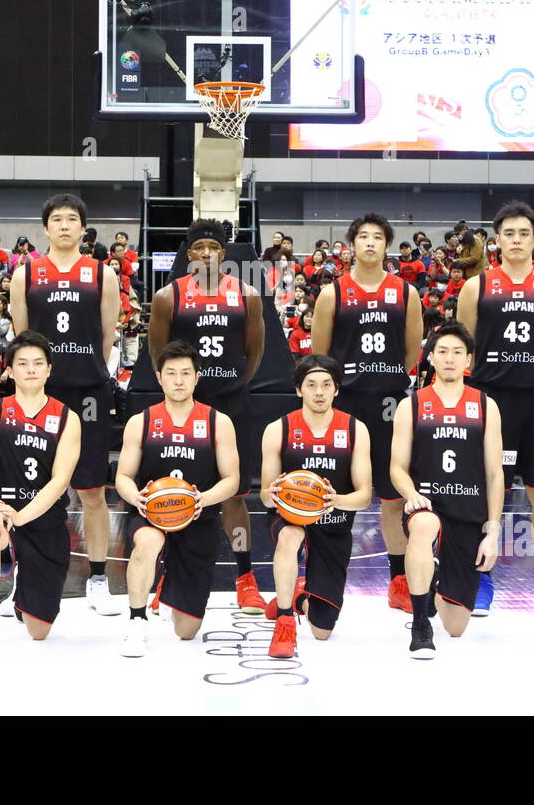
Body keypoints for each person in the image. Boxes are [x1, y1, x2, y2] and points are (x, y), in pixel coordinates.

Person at [457, 201, 534, 616]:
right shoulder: (477, 287)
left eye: (525, 233)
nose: (518, 240)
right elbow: (464, 344)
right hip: (492, 399)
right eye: (510, 234)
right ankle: (482, 576)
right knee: (491, 488)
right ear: (496, 241)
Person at [148, 218, 267, 614]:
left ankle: (245, 577)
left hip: (231, 404)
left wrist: (232, 383)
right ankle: (167, 572)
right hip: (183, 406)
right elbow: (158, 354)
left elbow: (254, 352)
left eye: (212, 247)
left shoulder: (246, 294)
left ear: (224, 252)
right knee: (174, 493)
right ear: (188, 253)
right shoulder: (168, 296)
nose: (204, 254)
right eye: (197, 247)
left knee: (233, 496)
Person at [10, 194, 122, 616]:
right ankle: (25, 576)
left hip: (89, 391)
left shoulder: (101, 274)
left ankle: (97, 578)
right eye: (56, 220)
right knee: (28, 489)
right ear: (45, 228)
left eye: (71, 219)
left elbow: (107, 337)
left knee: (92, 490)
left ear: (82, 228)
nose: (63, 226)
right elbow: (23, 338)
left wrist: (88, 368)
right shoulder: (26, 273)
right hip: (40, 393)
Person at [311, 213, 423, 613]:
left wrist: (387, 375)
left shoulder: (405, 292)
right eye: (363, 237)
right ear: (352, 245)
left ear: (387, 246)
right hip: (347, 405)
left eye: (378, 237)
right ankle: (320, 580)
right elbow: (320, 357)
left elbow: (412, 352)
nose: (371, 243)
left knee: (393, 499)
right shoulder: (333, 293)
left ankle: (399, 582)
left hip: (391, 404)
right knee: (332, 494)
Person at [114, 340, 239, 657]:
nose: (179, 380)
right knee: (147, 542)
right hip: (152, 513)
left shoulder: (218, 422)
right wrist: (136, 498)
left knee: (186, 631)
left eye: (186, 373)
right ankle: (137, 620)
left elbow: (232, 479)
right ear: (159, 377)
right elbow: (123, 476)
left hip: (199, 517)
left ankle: (165, 583)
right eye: (171, 373)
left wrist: (203, 498)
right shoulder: (140, 421)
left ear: (198, 377)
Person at [0, 332, 81, 662]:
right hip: (4, 509)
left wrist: (21, 517)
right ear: (10, 371)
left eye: (38, 364)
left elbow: (60, 481)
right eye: (22, 364)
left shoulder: (67, 418)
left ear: (48, 370)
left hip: (44, 516)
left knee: (38, 630)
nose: (30, 370)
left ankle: (22, 589)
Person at [389, 323, 504, 657]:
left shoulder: (485, 406)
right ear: (431, 358)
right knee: (425, 525)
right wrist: (412, 496)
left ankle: (432, 579)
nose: (450, 359)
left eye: (457, 352)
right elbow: (397, 467)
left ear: (468, 359)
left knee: (456, 625)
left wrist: (493, 531)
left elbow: (495, 473)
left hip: (469, 513)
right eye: (442, 351)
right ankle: (421, 622)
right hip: (427, 507)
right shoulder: (411, 405)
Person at [259, 355, 372, 657]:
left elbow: (364, 495)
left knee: (322, 630)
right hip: (291, 518)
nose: (319, 392)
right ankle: (284, 621)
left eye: (326, 385)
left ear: (337, 389)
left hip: (334, 526)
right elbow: (265, 496)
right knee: (289, 536)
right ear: (299, 390)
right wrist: (272, 495)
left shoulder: (355, 429)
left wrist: (337, 501)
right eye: (311, 385)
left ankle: (298, 598)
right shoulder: (278, 429)